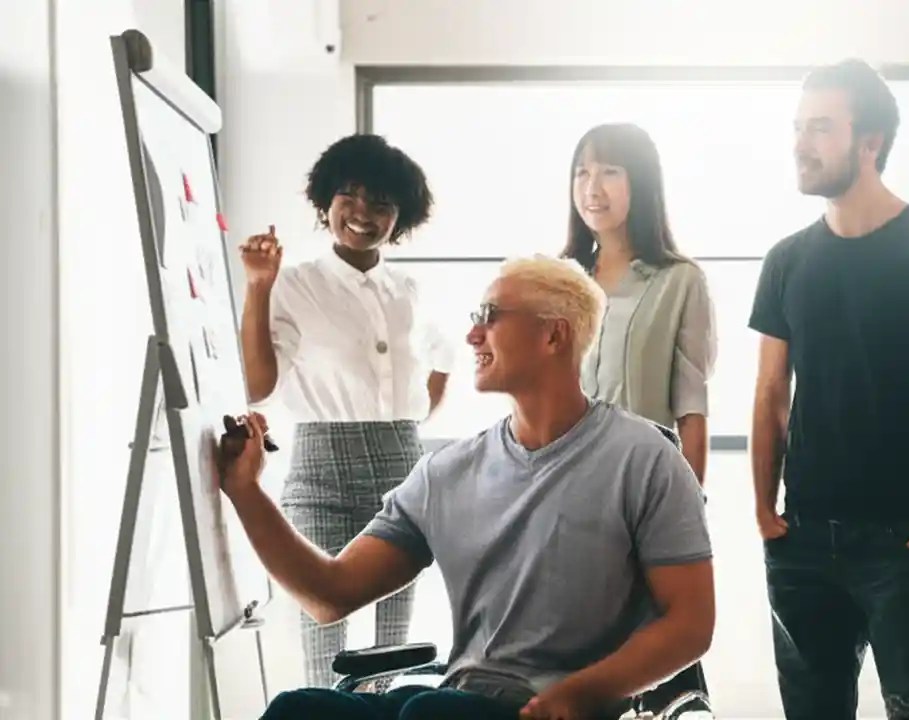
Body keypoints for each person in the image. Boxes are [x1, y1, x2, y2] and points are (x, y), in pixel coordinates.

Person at [221, 256, 716, 720]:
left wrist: (580, 691)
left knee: (430, 712)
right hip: (462, 697)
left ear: (553, 335)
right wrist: (246, 492)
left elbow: (690, 624)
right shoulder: (448, 472)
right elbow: (330, 593)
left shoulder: (644, 460)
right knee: (301, 709)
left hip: (565, 707)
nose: (472, 334)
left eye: (490, 315)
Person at [750, 58, 909, 720]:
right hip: (802, 537)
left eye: (821, 127)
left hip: (905, 537)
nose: (802, 143)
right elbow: (772, 391)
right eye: (798, 127)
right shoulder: (786, 260)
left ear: (871, 141)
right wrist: (765, 513)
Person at [238, 133, 453, 687]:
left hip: (405, 473)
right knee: (323, 657)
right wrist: (258, 287)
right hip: (320, 475)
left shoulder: (409, 290)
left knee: (394, 657)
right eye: (349, 196)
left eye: (381, 203)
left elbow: (443, 360)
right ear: (326, 201)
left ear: (399, 217)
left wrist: (405, 421)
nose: (362, 213)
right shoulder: (293, 285)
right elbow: (257, 384)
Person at [563, 122, 717, 487]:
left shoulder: (681, 280)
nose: (592, 188)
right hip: (559, 483)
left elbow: (691, 409)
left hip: (640, 484)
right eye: (582, 172)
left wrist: (690, 508)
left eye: (610, 172)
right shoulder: (558, 280)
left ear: (642, 182)